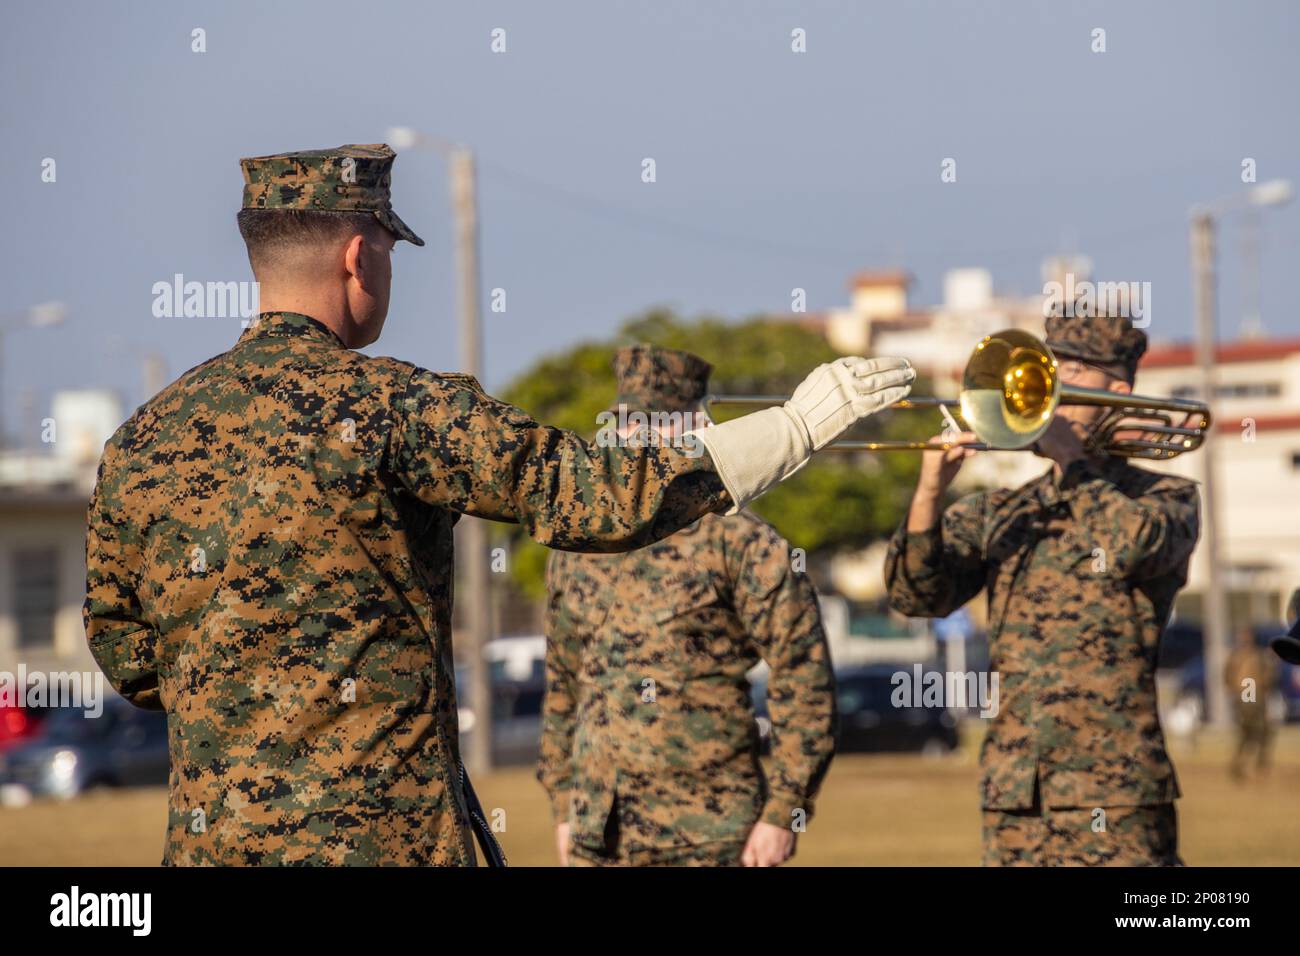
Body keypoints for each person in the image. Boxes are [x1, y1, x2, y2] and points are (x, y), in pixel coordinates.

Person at [83, 143, 914, 866]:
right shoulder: (396, 405)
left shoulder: (140, 441)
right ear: (358, 256)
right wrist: (794, 428)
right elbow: (593, 496)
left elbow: (126, 655)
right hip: (389, 844)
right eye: (390, 252)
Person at [885, 312, 1200, 866]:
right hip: (1015, 792)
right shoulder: (1005, 510)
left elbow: (1136, 545)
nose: (1053, 385)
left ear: (1118, 391)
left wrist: (1073, 462)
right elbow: (917, 597)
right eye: (1049, 367)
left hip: (1115, 789)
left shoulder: (1166, 497)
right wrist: (928, 495)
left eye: (1073, 371)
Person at [538, 346, 836, 867]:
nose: (636, 437)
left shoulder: (742, 541)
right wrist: (563, 806)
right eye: (627, 423)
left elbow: (802, 673)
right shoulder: (578, 544)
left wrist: (785, 809)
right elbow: (564, 682)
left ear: (696, 430)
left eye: (653, 423)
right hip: (599, 832)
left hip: (712, 831)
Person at [1224, 626, 1278, 780]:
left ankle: (1253, 765)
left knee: (1257, 733)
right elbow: (1229, 678)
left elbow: (1267, 677)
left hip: (1253, 698)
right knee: (1252, 733)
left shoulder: (1252, 655)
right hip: (1249, 699)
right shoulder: (1242, 657)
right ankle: (1250, 765)